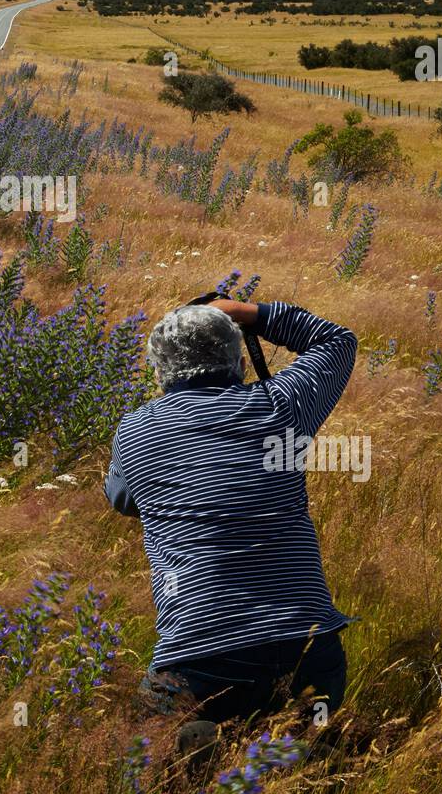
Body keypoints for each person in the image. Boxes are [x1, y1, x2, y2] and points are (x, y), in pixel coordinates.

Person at [104, 296, 357, 728]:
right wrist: (249, 313)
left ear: (159, 369)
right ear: (239, 358)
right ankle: (308, 744)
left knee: (155, 742)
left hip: (200, 654)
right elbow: (337, 340)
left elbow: (122, 499)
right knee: (309, 747)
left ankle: (197, 731)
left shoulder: (135, 430)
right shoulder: (279, 406)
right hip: (306, 641)